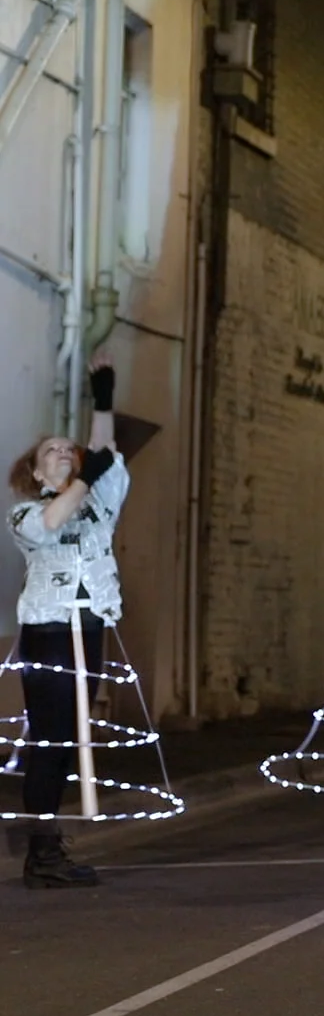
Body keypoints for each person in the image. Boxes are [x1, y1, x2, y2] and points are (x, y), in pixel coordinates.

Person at [8, 356, 126, 888]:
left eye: (67, 449)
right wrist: (85, 476)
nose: (62, 452)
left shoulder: (99, 502)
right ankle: (41, 853)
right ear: (36, 472)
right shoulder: (24, 513)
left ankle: (47, 849)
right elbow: (53, 521)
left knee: (69, 739)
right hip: (50, 632)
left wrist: (103, 399)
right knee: (50, 740)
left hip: (89, 627)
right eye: (50, 451)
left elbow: (104, 454)